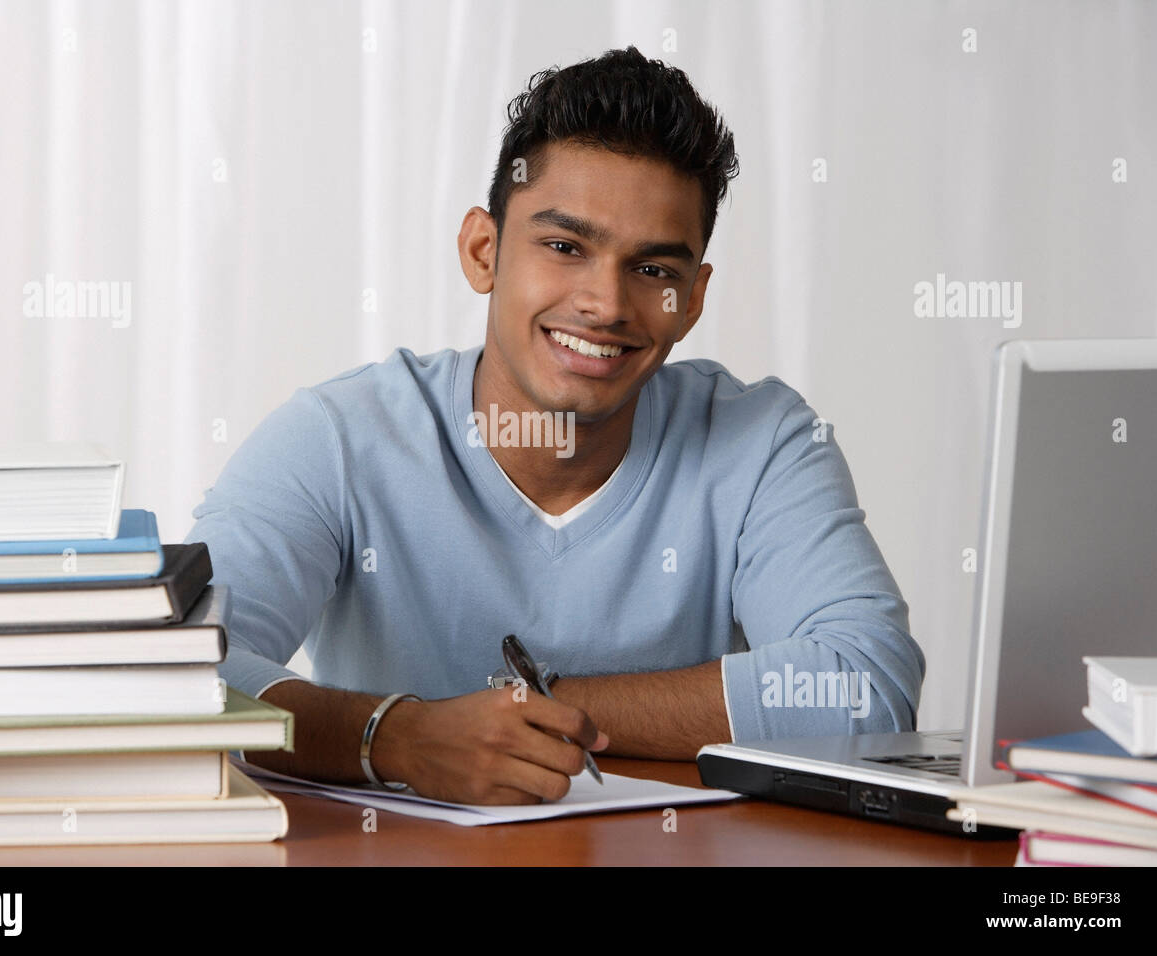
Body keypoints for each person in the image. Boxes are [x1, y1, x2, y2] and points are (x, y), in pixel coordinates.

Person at [184, 45, 925, 805]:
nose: (605, 303)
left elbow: (864, 683)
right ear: (484, 251)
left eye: (654, 270)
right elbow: (178, 670)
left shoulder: (763, 440)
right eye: (565, 247)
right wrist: (399, 737)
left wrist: (539, 710)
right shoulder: (337, 438)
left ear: (692, 299)